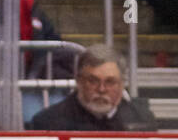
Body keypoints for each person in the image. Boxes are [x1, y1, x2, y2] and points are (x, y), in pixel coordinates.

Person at [27, 44, 158, 131]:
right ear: (79, 81)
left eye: (110, 82)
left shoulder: (142, 121)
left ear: (122, 84)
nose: (101, 89)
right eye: (93, 81)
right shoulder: (48, 123)